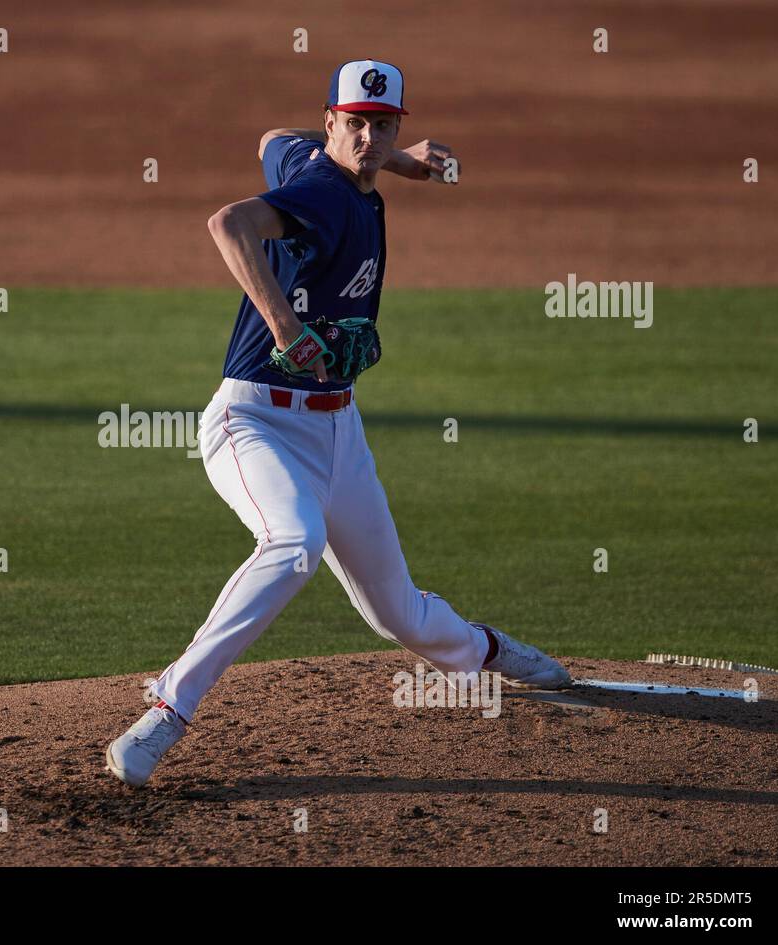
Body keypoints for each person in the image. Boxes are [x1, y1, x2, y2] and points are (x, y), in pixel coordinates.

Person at [106, 59, 570, 789]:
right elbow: (228, 224)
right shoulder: (321, 191)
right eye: (352, 124)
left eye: (380, 126)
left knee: (402, 616)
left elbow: (271, 136)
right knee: (294, 542)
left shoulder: (313, 158)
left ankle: (483, 650)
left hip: (338, 434)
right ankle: (169, 706)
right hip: (253, 420)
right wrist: (286, 326)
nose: (365, 137)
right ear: (332, 122)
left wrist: (406, 168)